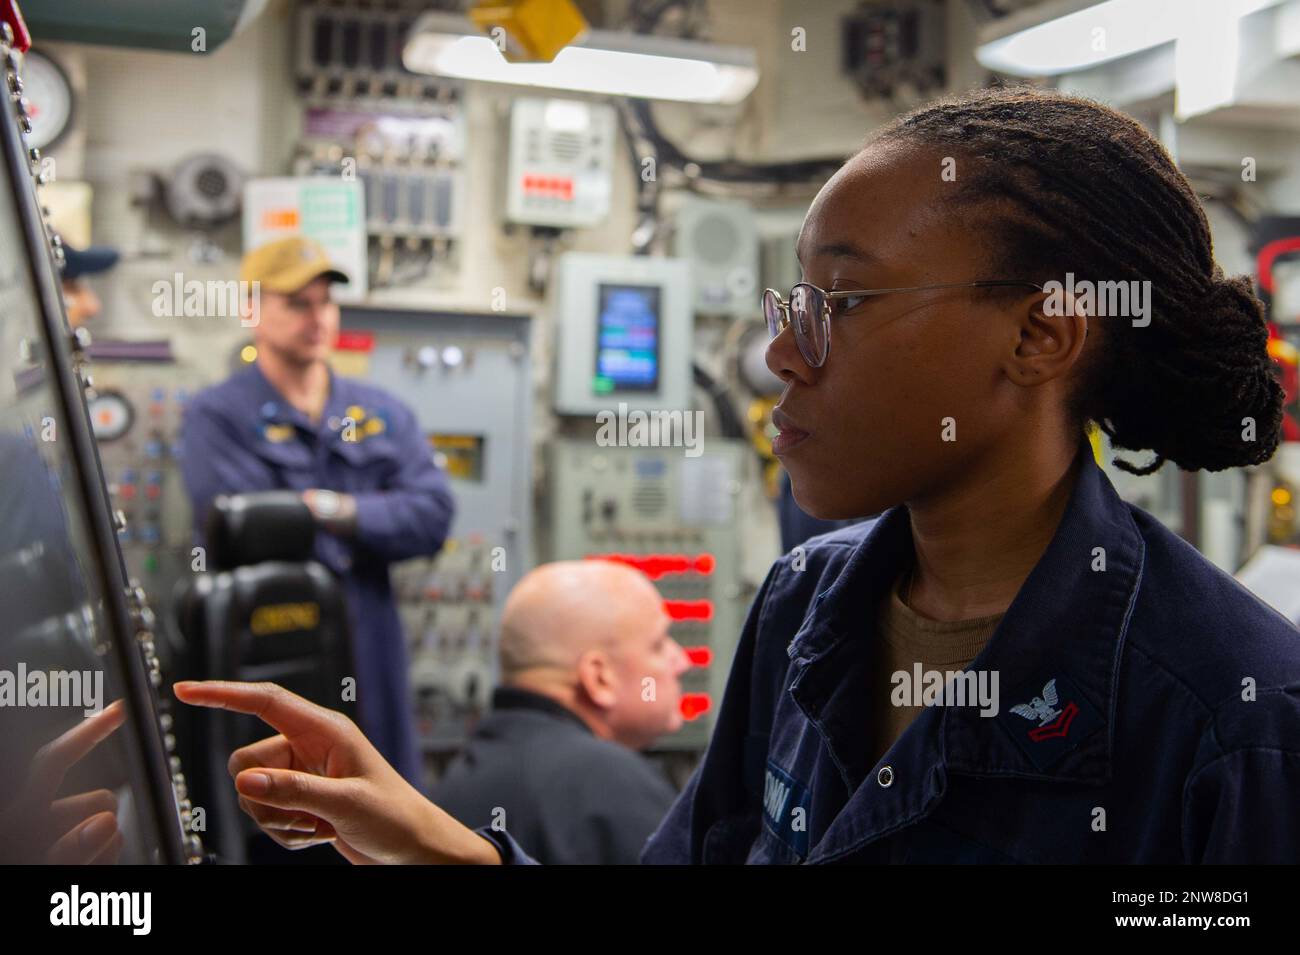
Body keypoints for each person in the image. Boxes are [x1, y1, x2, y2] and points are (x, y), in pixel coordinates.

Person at [175, 86, 1300, 864]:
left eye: (841, 303)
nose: (781, 352)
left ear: (1043, 334)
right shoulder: (807, 606)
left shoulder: (1230, 719)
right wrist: (437, 846)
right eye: (789, 301)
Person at [179, 236, 454, 785]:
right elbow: (241, 530)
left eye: (326, 301)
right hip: (275, 640)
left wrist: (325, 508)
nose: (318, 317)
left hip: (372, 642)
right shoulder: (218, 416)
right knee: (283, 807)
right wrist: (368, 520)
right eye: (297, 303)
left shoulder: (382, 412)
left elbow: (432, 514)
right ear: (251, 310)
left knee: (383, 803)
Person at [431, 561, 686, 864]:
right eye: (658, 645)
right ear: (598, 677)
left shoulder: (448, 792)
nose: (682, 661)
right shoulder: (613, 784)